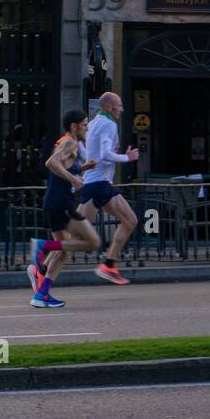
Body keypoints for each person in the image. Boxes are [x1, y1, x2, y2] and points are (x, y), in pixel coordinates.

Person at [27, 109, 102, 308]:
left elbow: (63, 165)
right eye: (85, 125)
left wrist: (84, 168)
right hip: (61, 204)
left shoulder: (67, 142)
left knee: (63, 249)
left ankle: (41, 294)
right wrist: (75, 180)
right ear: (74, 126)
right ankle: (42, 246)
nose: (87, 128)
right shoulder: (70, 142)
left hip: (55, 202)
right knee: (93, 242)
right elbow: (51, 163)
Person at [78, 92, 140, 285]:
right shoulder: (109, 124)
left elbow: (89, 153)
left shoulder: (94, 123)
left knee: (77, 235)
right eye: (119, 105)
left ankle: (43, 257)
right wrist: (126, 158)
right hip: (101, 184)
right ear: (109, 106)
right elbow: (105, 154)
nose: (122, 109)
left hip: (91, 183)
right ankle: (109, 264)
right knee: (130, 220)